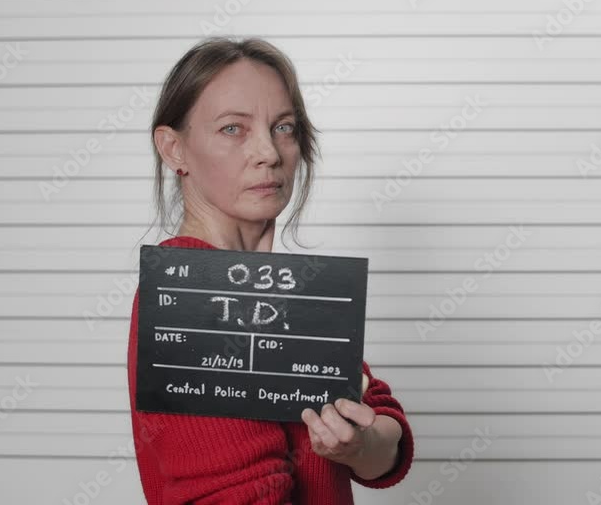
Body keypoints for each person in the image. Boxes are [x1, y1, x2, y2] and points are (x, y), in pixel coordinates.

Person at [126, 37, 415, 504]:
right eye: (232, 129)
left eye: (283, 127)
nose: (269, 152)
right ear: (174, 149)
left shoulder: (282, 289)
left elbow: (383, 426)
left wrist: (360, 444)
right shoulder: (188, 293)